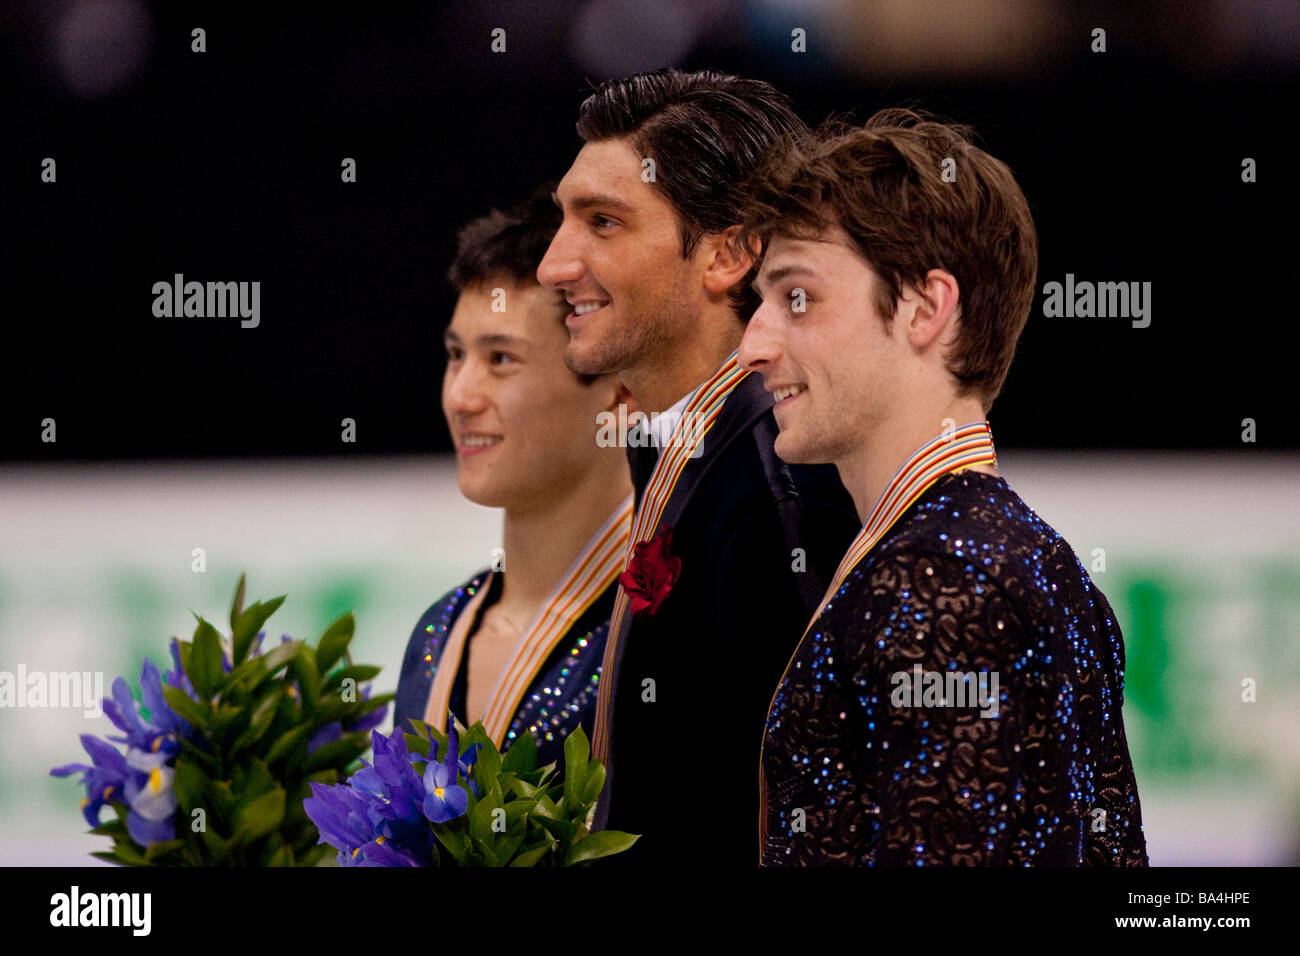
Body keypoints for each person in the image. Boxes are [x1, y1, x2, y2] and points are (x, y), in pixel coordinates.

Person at [739, 109, 1149, 865]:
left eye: (796, 296)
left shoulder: (939, 583)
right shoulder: (990, 555)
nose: (753, 344)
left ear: (927, 308)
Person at [538, 68, 860, 863]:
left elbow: (814, 819)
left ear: (729, 255)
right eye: (563, 221)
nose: (553, 265)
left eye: (603, 223)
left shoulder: (781, 483)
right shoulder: (698, 450)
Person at [394, 187, 634, 768]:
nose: (459, 396)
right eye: (456, 356)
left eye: (501, 359)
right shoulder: (438, 632)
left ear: (618, 388)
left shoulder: (659, 630)